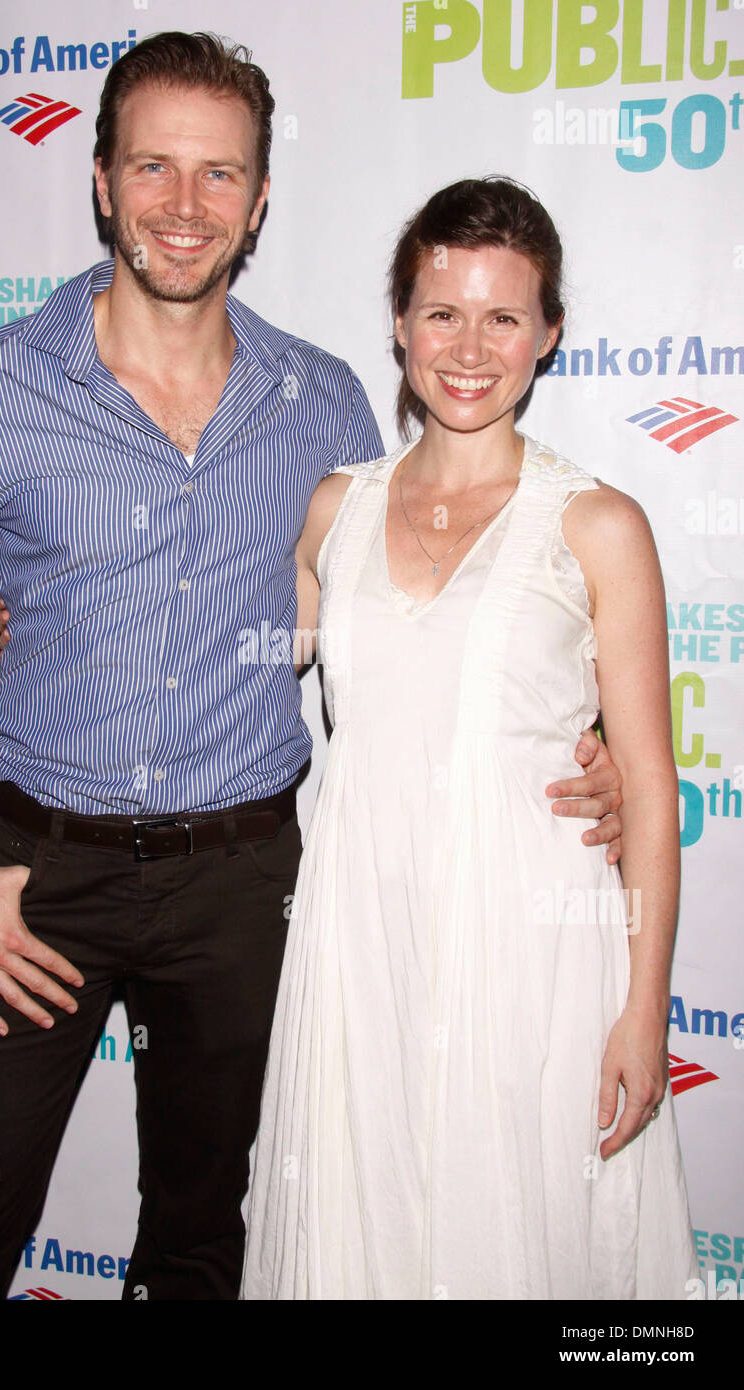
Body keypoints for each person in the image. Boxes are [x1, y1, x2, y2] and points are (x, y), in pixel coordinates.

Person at [0, 31, 622, 1302]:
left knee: (207, 1238)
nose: (185, 206)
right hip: (33, 881)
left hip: (248, 886)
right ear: (101, 179)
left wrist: (599, 757)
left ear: (262, 199)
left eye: (219, 175)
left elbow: (422, 628)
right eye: (154, 166)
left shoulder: (324, 405)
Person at [241, 178, 698, 1300]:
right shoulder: (333, 506)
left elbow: (644, 780)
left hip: (530, 954)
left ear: (548, 335)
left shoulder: (598, 523)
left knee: (520, 1240)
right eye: (443, 311)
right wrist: (41, 602)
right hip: (361, 943)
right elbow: (239, 640)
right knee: (367, 1232)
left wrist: (645, 1011)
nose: (470, 347)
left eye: (505, 316)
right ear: (399, 322)